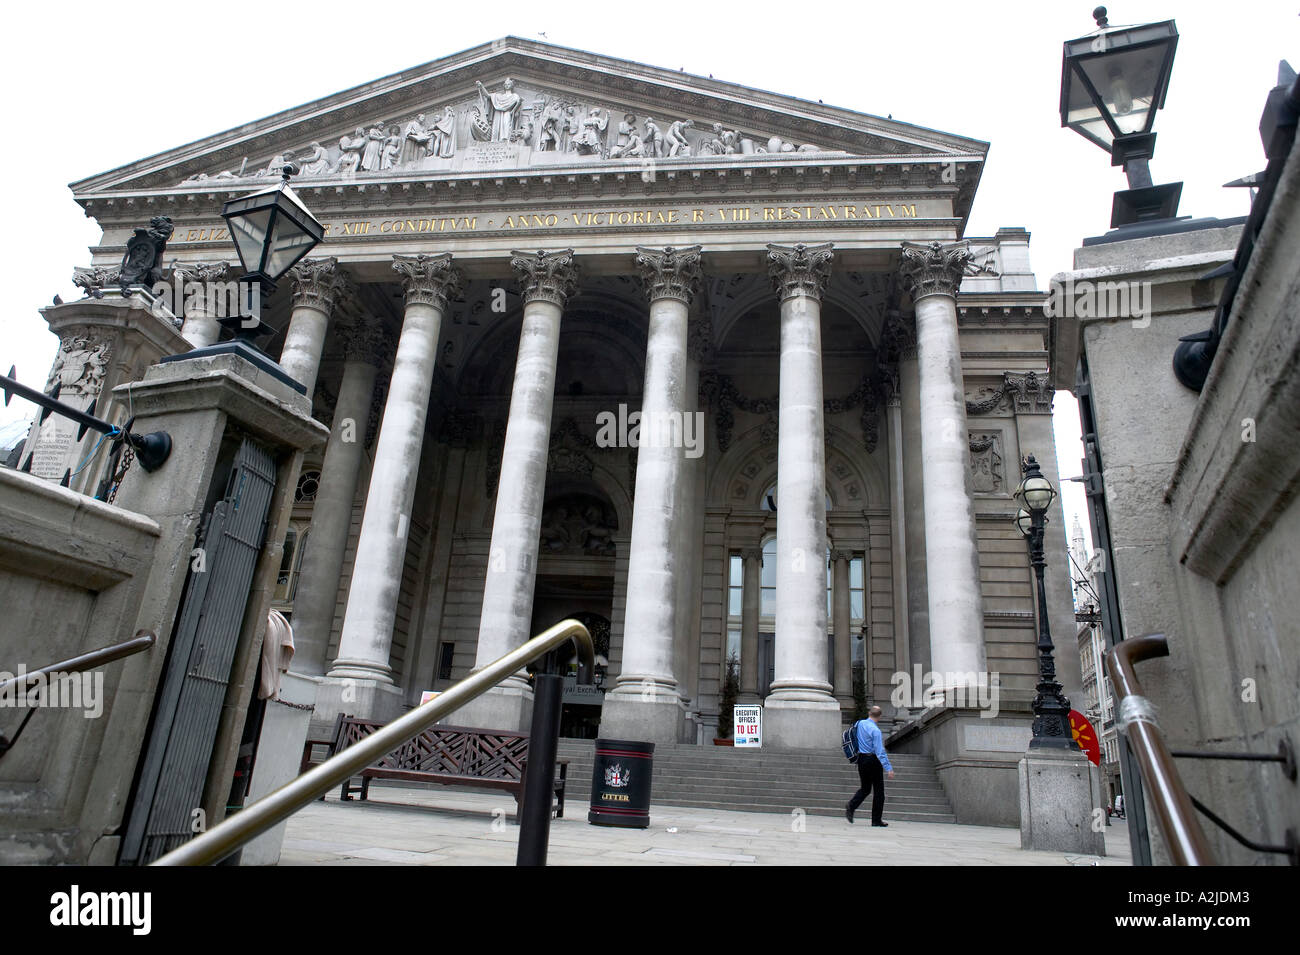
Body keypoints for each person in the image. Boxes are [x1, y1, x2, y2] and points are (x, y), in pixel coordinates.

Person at [845, 705, 894, 827]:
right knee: (879, 791)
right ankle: (876, 820)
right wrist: (888, 768)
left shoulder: (860, 723)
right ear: (880, 716)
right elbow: (880, 751)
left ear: (869, 713)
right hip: (873, 760)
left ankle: (851, 805)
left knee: (865, 788)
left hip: (861, 759)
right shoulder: (875, 731)